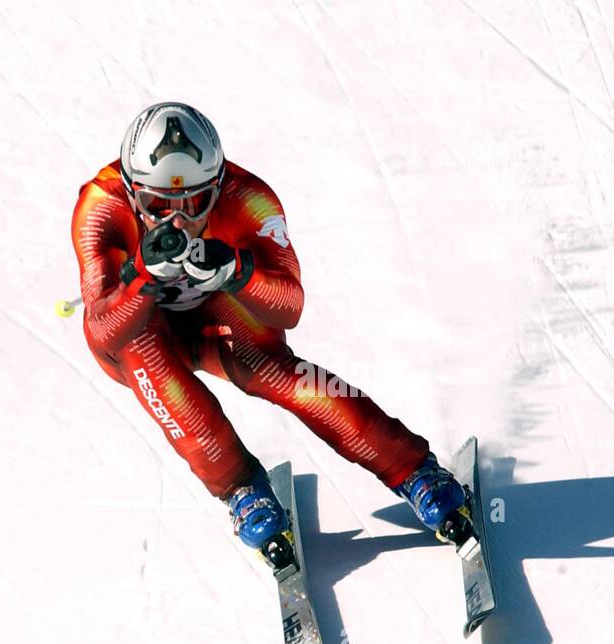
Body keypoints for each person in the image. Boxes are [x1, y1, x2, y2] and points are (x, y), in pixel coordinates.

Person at [71, 101, 470, 566]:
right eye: (158, 205)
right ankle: (240, 487)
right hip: (141, 334)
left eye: (195, 203)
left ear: (218, 188)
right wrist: (141, 277)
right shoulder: (100, 207)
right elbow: (102, 330)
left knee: (282, 376)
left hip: (219, 317)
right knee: (145, 355)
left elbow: (289, 308)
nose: (177, 221)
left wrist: (236, 272)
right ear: (131, 191)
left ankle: (410, 468)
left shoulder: (248, 198)